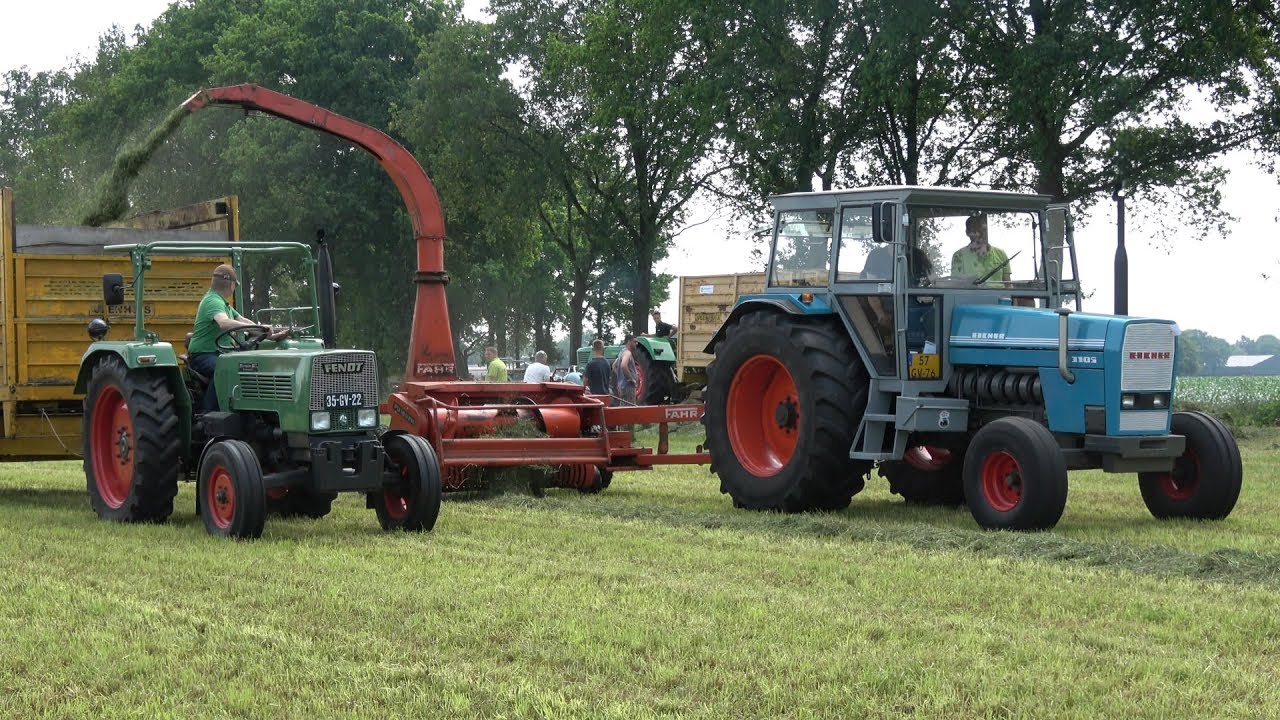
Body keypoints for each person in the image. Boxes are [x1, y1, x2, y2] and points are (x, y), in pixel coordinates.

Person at [187, 264, 286, 413]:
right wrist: (259, 330)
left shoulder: (223, 303)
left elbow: (242, 320)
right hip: (203, 354)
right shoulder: (212, 301)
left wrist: (268, 334)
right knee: (226, 369)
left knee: (248, 366)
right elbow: (224, 323)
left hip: (219, 354)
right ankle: (207, 414)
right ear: (232, 285)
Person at [951, 214, 1010, 287]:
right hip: (969, 297)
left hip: (999, 297)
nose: (978, 235)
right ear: (967, 233)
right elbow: (956, 285)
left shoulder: (1001, 254)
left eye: (981, 230)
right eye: (974, 231)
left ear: (986, 231)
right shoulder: (959, 256)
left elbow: (1008, 286)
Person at [614, 335, 639, 405]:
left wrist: (620, 377)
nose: (636, 344)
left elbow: (614, 366)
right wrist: (631, 378)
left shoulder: (621, 353)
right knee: (629, 410)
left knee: (623, 407)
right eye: (635, 342)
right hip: (628, 387)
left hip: (622, 386)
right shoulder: (627, 353)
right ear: (629, 342)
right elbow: (623, 365)